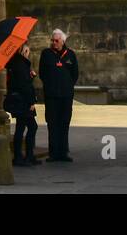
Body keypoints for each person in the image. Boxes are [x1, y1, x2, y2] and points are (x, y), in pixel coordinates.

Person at [38, 29, 79, 163]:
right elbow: (42, 73)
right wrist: (51, 85)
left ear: (63, 41)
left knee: (64, 123)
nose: (54, 43)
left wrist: (67, 85)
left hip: (66, 96)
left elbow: (75, 74)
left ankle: (63, 152)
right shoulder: (46, 54)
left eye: (56, 41)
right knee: (52, 123)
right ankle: (53, 153)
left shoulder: (70, 55)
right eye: (52, 40)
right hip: (51, 96)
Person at [5, 43, 40, 166]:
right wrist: (31, 102)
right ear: (23, 51)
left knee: (29, 127)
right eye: (27, 51)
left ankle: (27, 156)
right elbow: (23, 86)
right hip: (23, 101)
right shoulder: (20, 64)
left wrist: (30, 77)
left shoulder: (17, 63)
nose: (28, 53)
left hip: (20, 100)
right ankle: (20, 157)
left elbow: (22, 82)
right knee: (23, 128)